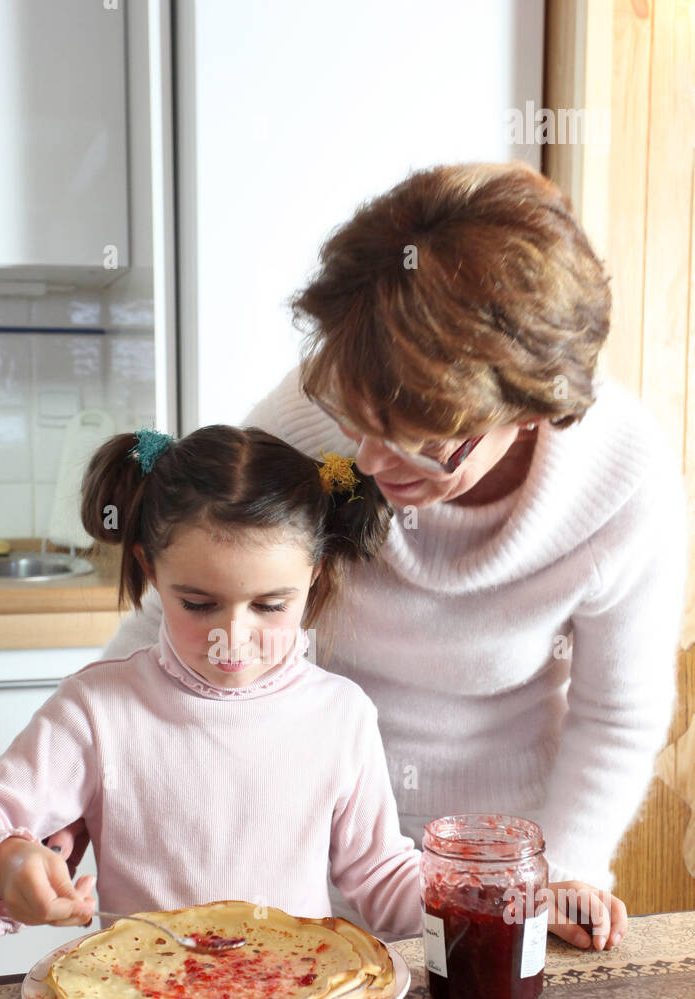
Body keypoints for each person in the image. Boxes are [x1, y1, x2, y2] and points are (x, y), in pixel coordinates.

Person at [100, 161, 690, 951]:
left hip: (507, 857)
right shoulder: (310, 419)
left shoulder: (626, 480)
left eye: (422, 446)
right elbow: (182, 609)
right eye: (359, 425)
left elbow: (617, 714)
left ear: (531, 406)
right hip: (311, 844)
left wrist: (559, 870)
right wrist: (78, 774)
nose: (372, 463)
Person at [0, 425, 424, 939]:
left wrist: (469, 898)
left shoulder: (342, 714)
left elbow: (381, 874)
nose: (233, 636)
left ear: (313, 575)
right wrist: (6, 858)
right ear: (150, 569)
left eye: (270, 606)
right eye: (199, 605)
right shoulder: (98, 709)